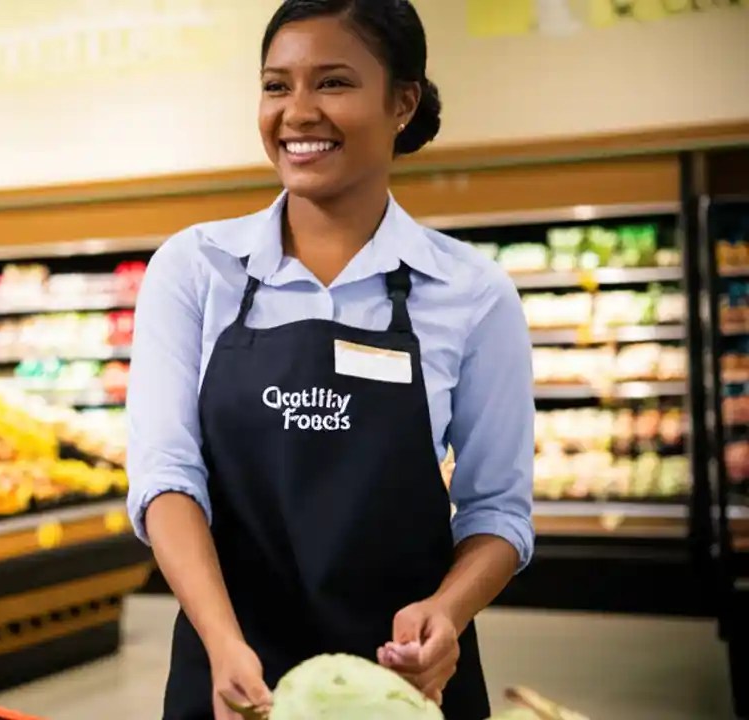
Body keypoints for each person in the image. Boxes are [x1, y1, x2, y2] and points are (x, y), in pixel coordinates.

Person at [126, 2, 535, 719]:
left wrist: (448, 612)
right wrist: (224, 642)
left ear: (402, 101)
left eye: (334, 83)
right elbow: (165, 478)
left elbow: (499, 508)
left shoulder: (472, 294)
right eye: (277, 86)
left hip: (401, 686)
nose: (298, 112)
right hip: (231, 674)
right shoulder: (197, 269)